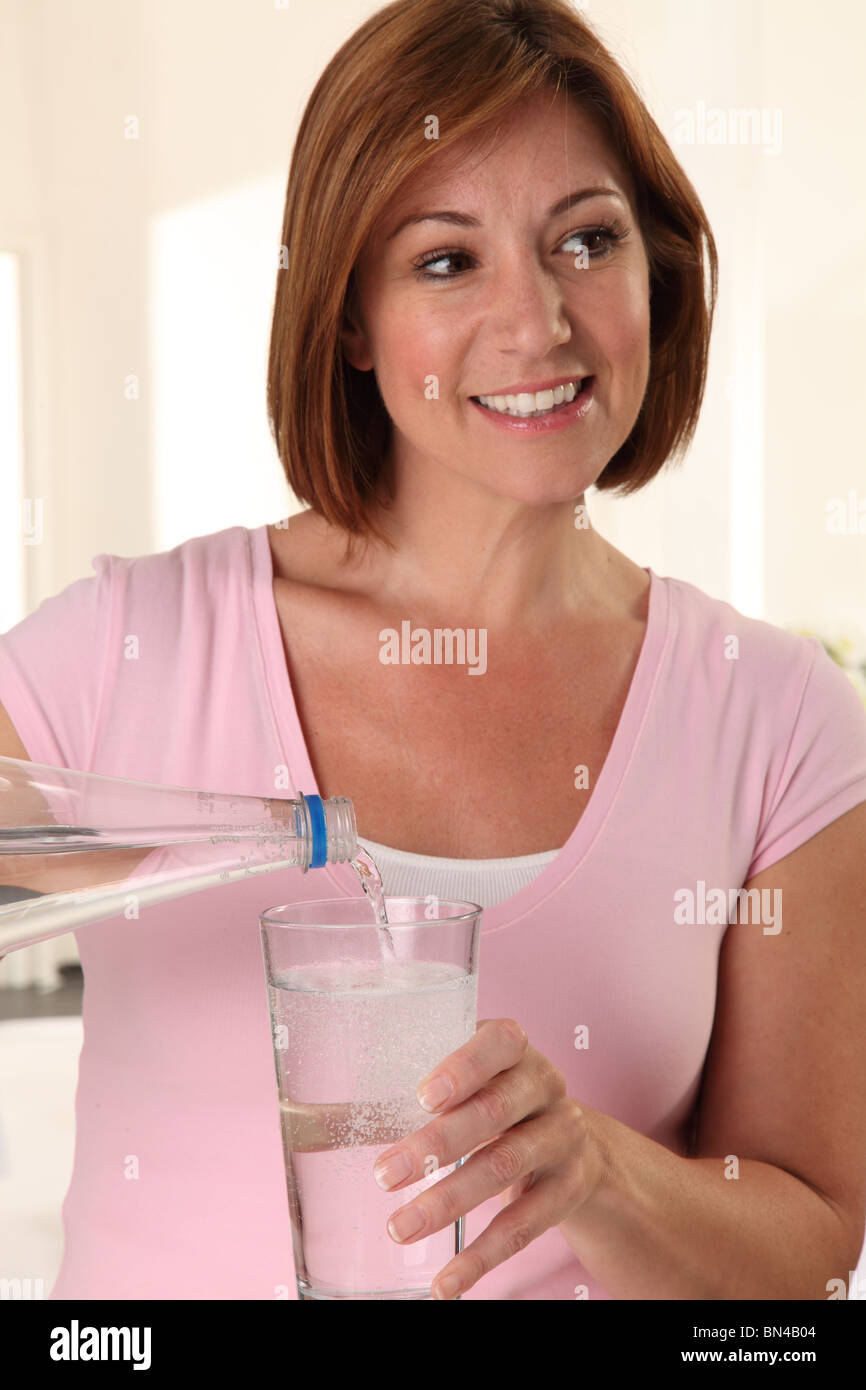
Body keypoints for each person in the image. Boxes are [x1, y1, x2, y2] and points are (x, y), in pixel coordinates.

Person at [2, 0, 865, 1302]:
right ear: (347, 319)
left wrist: (597, 1171)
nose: (539, 324)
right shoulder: (121, 654)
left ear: (656, 273)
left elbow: (805, 1225)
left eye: (586, 240)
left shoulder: (778, 720)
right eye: (446, 261)